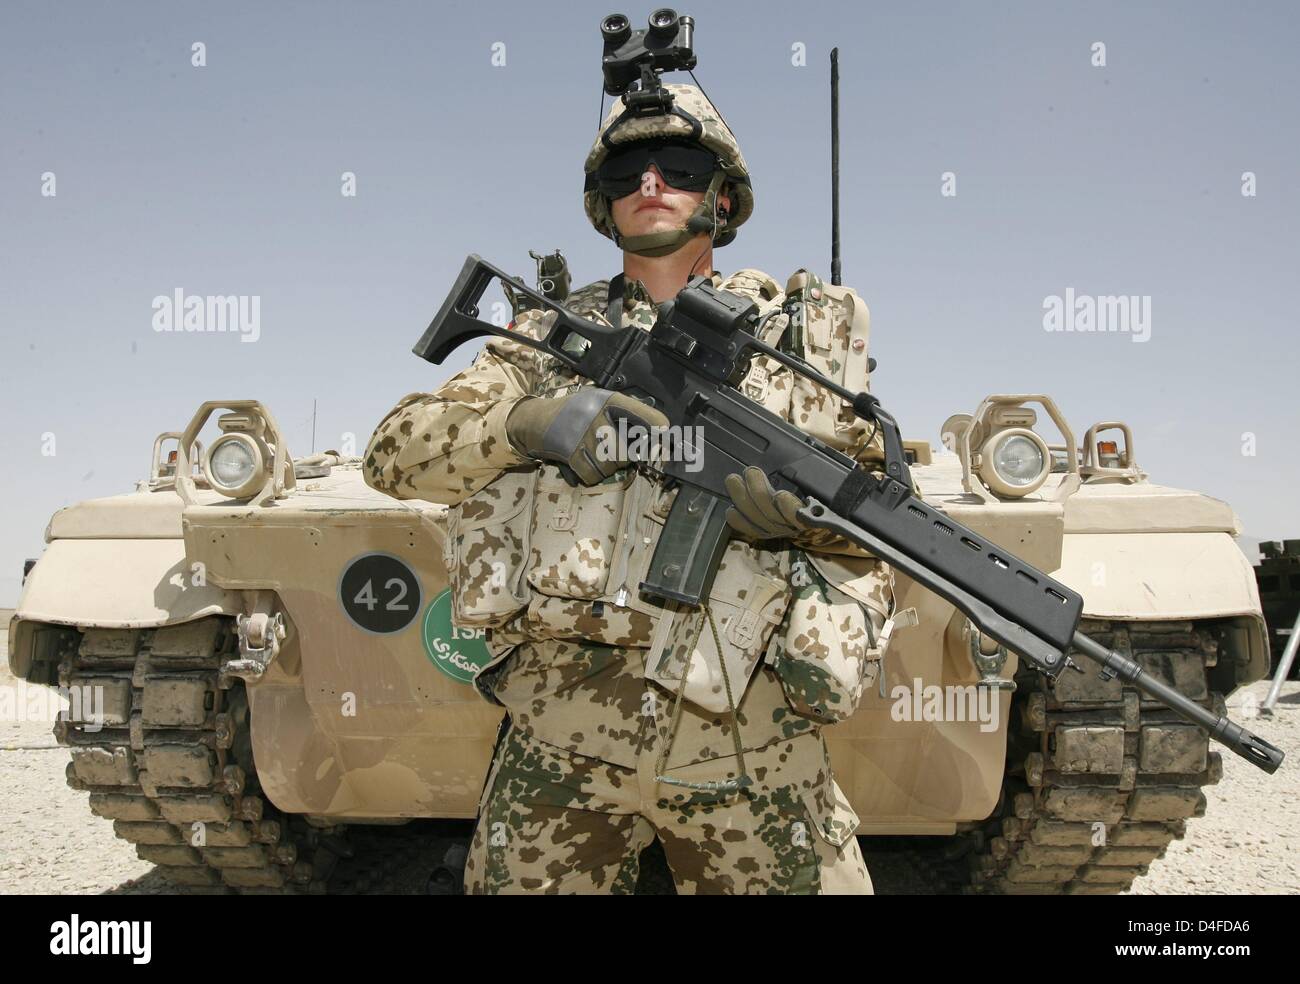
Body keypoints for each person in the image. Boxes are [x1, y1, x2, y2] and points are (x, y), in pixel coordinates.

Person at [365, 83, 897, 894]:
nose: (650, 184)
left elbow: (883, 518)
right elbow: (393, 454)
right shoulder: (542, 337)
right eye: (626, 174)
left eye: (678, 167)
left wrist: (803, 526)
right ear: (601, 204)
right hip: (559, 729)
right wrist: (526, 422)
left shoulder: (799, 337)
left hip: (749, 732)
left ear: (723, 199)